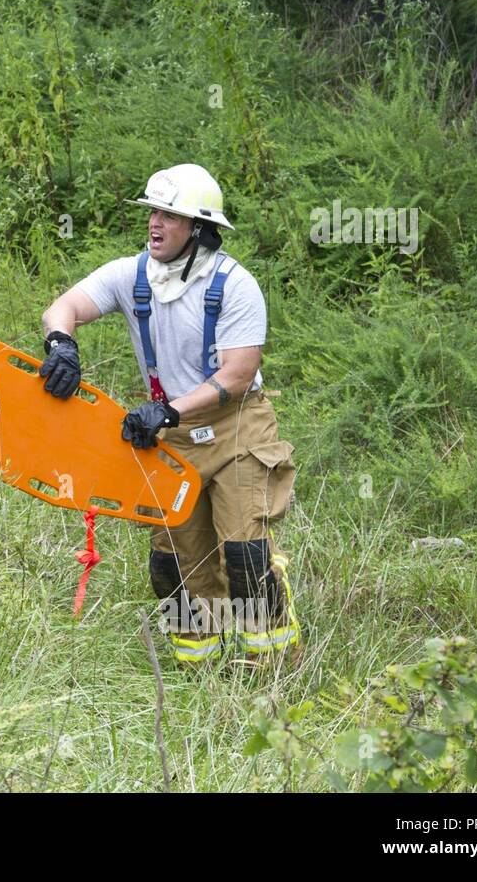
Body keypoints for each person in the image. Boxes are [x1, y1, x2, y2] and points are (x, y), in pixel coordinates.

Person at [39, 164, 300, 664]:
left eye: (170, 216)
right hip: (170, 433)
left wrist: (167, 410)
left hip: (237, 425)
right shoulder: (131, 274)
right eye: (153, 212)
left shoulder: (235, 285)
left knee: (245, 557)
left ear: (199, 230)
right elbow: (63, 306)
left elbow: (237, 375)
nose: (155, 223)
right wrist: (61, 343)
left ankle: (273, 665)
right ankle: (201, 671)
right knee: (175, 566)